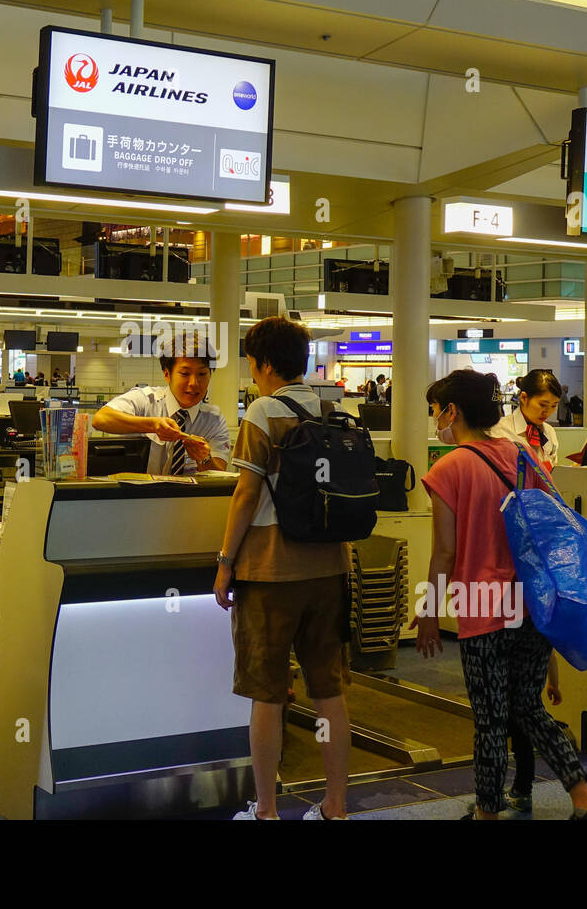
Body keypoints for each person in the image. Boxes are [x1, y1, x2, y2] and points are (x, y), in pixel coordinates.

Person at [416, 369, 587, 820]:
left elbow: (445, 550)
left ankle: (488, 813)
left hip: (482, 607)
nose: (435, 417)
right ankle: (582, 798)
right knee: (529, 708)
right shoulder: (522, 456)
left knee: (491, 719)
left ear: (452, 411)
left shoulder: (447, 468)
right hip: (530, 600)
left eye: (436, 409)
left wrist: (429, 611)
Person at [213, 316, 351, 821]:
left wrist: (226, 563)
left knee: (267, 693)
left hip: (270, 573)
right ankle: (335, 806)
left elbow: (246, 493)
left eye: (252, 361)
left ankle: (266, 811)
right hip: (330, 569)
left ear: (264, 362)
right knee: (329, 691)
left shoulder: (262, 413)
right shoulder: (332, 410)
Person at [92, 331, 231, 475]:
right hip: (139, 496)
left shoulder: (214, 420)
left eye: (202, 374)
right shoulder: (145, 401)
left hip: (188, 497)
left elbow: (219, 474)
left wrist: (204, 459)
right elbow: (100, 419)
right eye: (184, 374)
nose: (194, 383)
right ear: (167, 374)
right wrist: (152, 425)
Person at [495, 369, 562, 472]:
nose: (547, 412)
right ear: (524, 397)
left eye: (554, 405)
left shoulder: (549, 432)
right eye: (543, 405)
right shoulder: (499, 431)